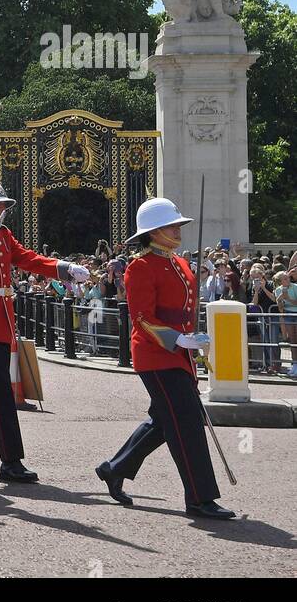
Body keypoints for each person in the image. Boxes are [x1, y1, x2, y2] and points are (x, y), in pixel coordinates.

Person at [95, 198, 235, 520]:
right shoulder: (139, 267)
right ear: (154, 232)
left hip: (179, 354)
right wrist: (176, 339)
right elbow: (142, 317)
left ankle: (114, 469)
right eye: (172, 225)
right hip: (155, 354)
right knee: (186, 423)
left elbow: (185, 310)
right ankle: (200, 498)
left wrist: (193, 337)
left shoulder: (180, 264)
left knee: (164, 421)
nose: (177, 229)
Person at [0, 180, 89, 483]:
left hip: (2, 325)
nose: (2, 209)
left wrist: (63, 268)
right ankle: (11, 461)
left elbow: (29, 259)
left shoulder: (4, 236)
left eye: (2, 204)